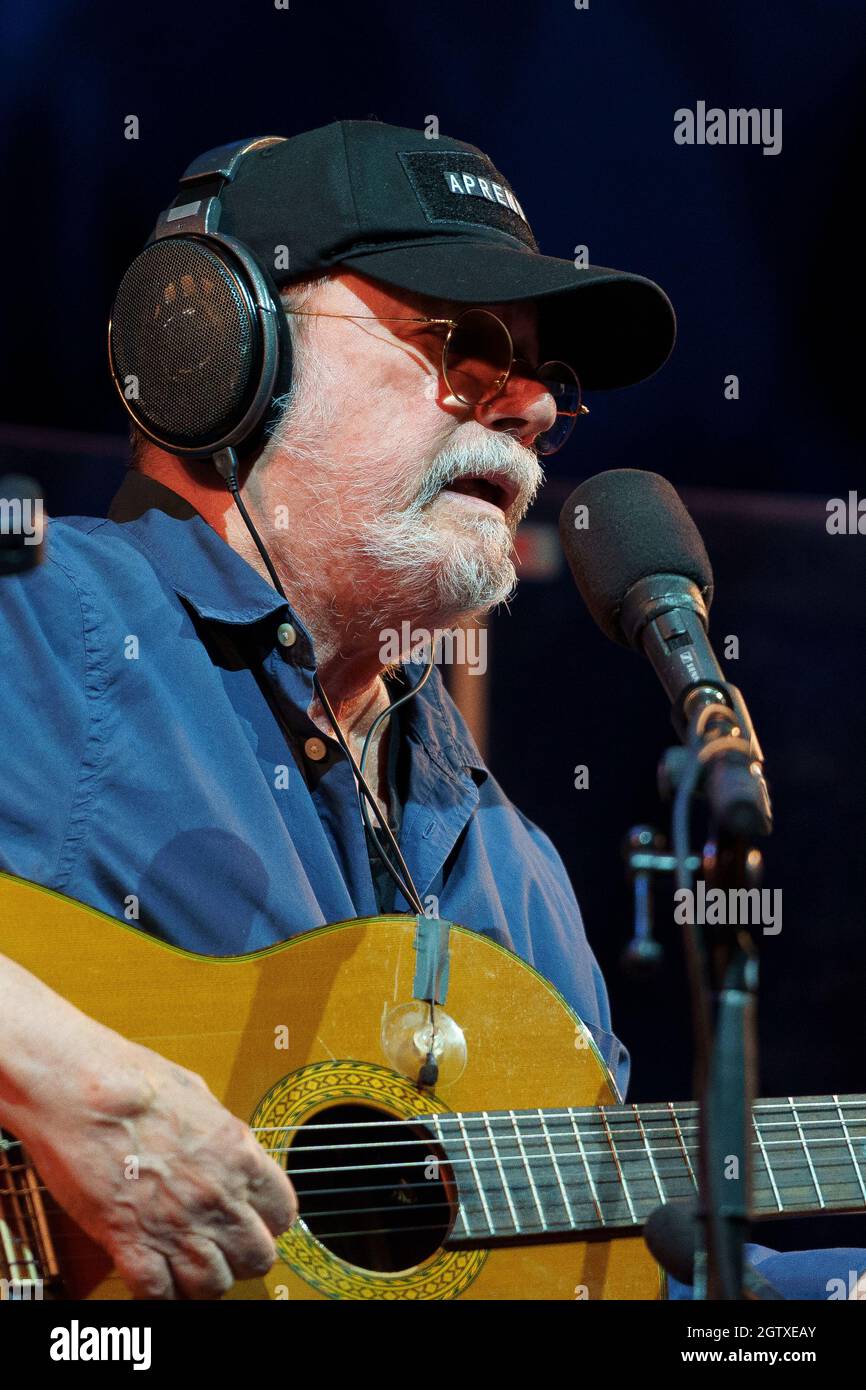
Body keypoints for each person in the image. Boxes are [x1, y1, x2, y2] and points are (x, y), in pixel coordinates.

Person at [0, 119, 861, 1300]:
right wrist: (47, 1067)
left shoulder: (519, 883)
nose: (531, 411)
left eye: (542, 376)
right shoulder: (37, 624)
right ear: (213, 344)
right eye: (462, 346)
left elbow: (610, 1277)